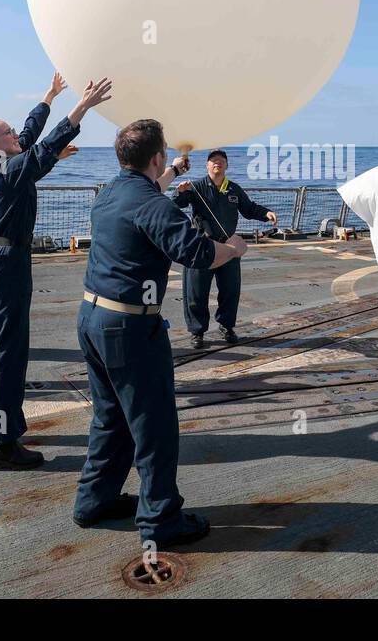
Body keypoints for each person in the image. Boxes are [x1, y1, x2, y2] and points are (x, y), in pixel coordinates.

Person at [73, 120, 248, 547]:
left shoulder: (111, 192)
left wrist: (171, 173)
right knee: (154, 426)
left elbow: (147, 195)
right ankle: (159, 520)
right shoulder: (155, 206)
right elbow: (199, 253)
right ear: (154, 157)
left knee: (109, 417)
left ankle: (93, 502)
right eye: (163, 154)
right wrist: (235, 248)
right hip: (130, 328)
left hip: (92, 318)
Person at [0, 72, 107, 470]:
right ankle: (4, 445)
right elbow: (44, 147)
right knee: (8, 355)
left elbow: (31, 136)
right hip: (7, 269)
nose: (15, 135)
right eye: (7, 132)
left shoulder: (0, 163)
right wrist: (82, 107)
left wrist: (49, 96)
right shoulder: (10, 169)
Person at [173, 149, 277, 347]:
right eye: (213, 161)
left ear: (227, 166)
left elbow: (249, 208)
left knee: (230, 290)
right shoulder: (196, 187)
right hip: (202, 246)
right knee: (195, 293)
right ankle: (197, 332)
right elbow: (176, 204)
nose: (217, 164)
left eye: (221, 161)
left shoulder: (234, 189)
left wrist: (266, 213)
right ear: (207, 165)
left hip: (228, 247)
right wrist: (179, 191)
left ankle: (227, 327)